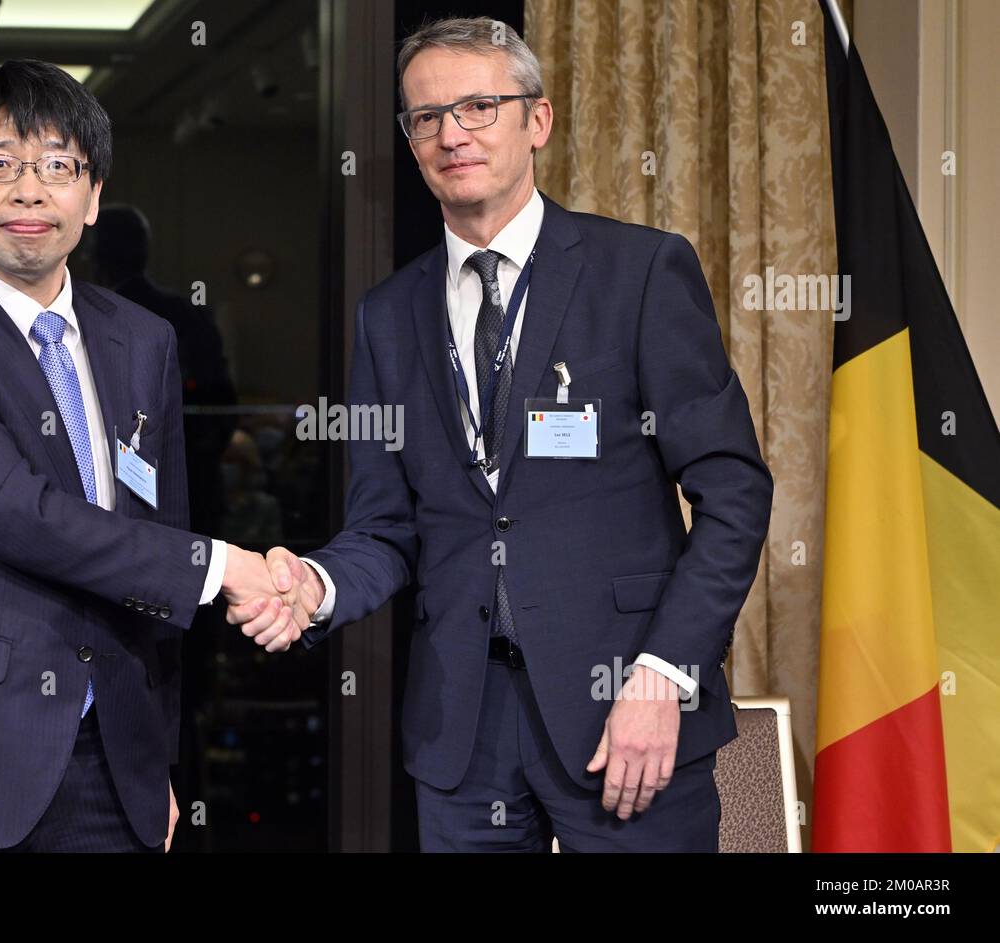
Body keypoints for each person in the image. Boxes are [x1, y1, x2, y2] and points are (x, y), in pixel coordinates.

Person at [231, 18, 773, 852]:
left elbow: (735, 491)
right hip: (462, 733)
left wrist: (665, 675)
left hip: (626, 711)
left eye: (480, 106)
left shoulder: (639, 273)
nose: (452, 134)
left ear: (538, 121)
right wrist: (314, 584)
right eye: (425, 117)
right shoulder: (388, 315)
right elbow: (387, 525)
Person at [0, 59, 300, 853]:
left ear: (91, 198)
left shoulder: (142, 339)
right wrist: (226, 567)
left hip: (111, 763)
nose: (30, 190)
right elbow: (12, 510)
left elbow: (156, 538)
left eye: (59, 165)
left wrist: (152, 755)